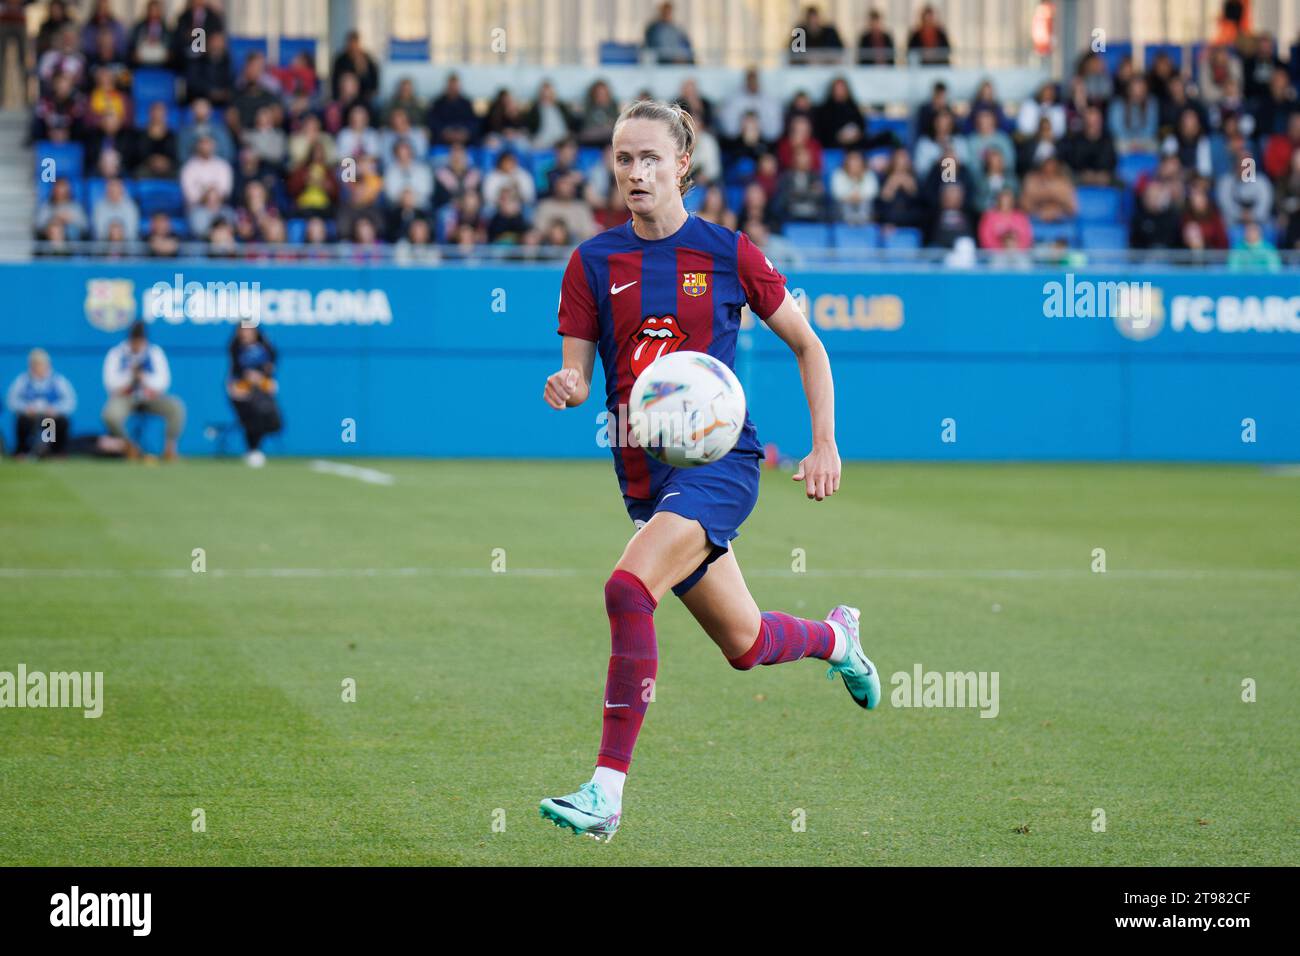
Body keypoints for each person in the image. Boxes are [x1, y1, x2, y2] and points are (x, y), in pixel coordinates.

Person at [538, 100, 881, 842]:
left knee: (628, 589)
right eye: (624, 158)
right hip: (643, 481)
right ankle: (836, 639)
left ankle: (605, 794)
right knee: (747, 644)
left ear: (683, 165)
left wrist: (825, 443)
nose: (635, 171)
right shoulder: (591, 262)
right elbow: (572, 370)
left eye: (651, 158)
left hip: (720, 465)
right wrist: (566, 386)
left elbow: (809, 345)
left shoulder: (729, 252)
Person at [101, 321, 185, 461]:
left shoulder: (154, 353)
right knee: (110, 415)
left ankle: (170, 450)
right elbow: (111, 384)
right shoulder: (117, 354)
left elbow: (163, 383)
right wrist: (130, 377)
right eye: (134, 342)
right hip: (125, 398)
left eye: (139, 342)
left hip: (150, 397)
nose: (137, 346)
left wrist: (143, 378)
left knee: (176, 407)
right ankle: (129, 447)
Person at [227, 325, 282, 467]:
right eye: (243, 330)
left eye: (249, 330)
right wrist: (238, 386)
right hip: (242, 392)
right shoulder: (235, 348)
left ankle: (255, 449)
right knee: (252, 416)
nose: (246, 333)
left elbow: (270, 373)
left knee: (273, 421)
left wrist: (261, 380)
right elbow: (233, 377)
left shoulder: (265, 348)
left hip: (261, 391)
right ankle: (253, 450)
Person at [7, 349, 76, 457]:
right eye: (36, 364)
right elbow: (12, 401)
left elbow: (70, 402)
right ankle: (23, 451)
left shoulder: (58, 381)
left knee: (60, 422)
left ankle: (55, 452)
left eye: (41, 364)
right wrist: (25, 408)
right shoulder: (22, 380)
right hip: (30, 418)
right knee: (21, 420)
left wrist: (55, 409)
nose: (39, 367)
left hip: (50, 418)